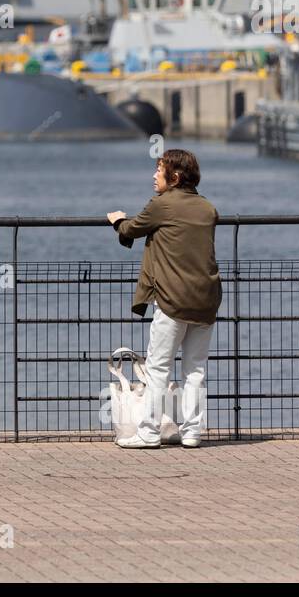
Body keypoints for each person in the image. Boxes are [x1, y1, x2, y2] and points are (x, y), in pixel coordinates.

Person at [105, 149, 222, 449]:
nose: (154, 176)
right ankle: (193, 432)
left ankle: (149, 431)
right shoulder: (208, 208)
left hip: (172, 300)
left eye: (159, 170)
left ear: (176, 176)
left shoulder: (163, 204)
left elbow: (133, 228)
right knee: (195, 369)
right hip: (206, 299)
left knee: (158, 367)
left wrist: (118, 221)